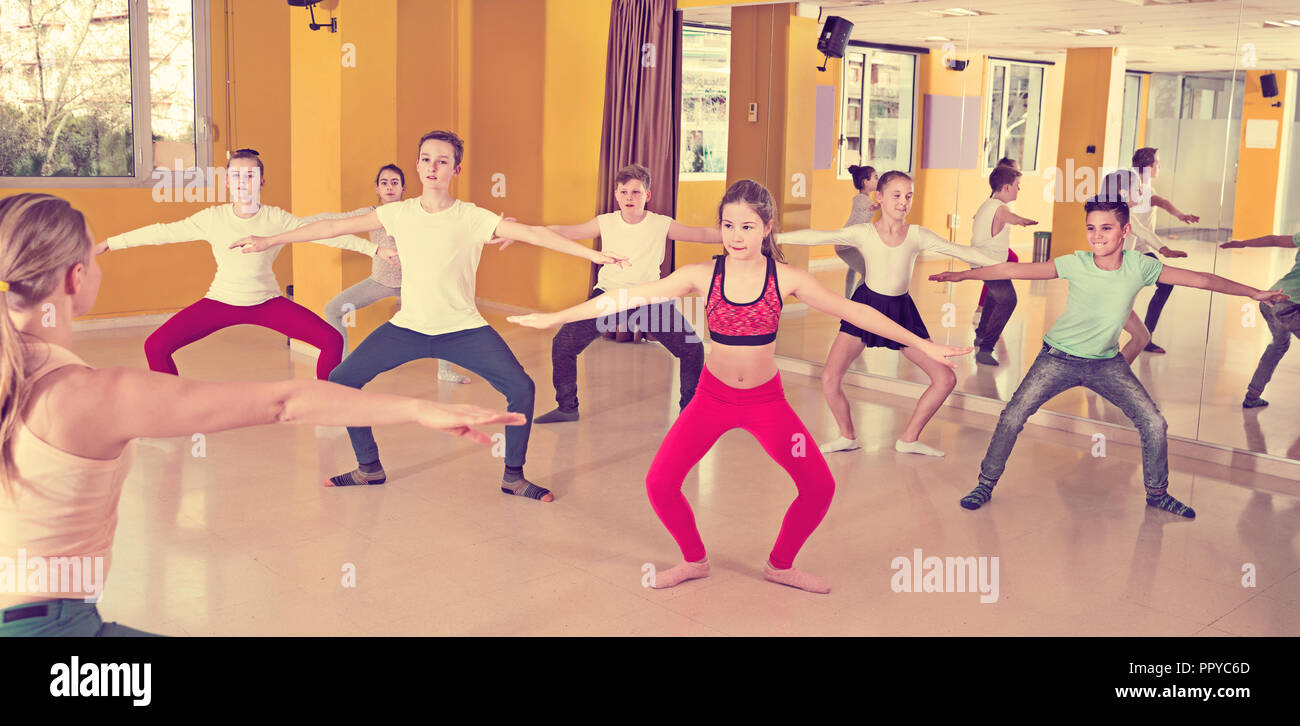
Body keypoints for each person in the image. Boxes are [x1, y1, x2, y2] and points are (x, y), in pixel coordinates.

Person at [0, 193, 523, 636]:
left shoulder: (55, 382)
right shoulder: (92, 396)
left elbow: (330, 234)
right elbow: (284, 403)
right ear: (75, 279)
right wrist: (416, 409)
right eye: (94, 256)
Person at [508, 179, 971, 593]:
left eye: (747, 226)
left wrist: (922, 343)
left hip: (766, 403)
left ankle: (780, 565)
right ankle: (695, 560)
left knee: (818, 487)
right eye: (728, 225)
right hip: (712, 398)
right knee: (660, 483)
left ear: (767, 227)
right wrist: (556, 317)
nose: (736, 236)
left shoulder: (786, 278)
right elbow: (625, 296)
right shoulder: (701, 275)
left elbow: (857, 312)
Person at [231, 130, 627, 503]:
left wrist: (595, 255)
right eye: (426, 159)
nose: (433, 166)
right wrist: (269, 240)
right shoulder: (399, 213)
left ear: (456, 170)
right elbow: (332, 226)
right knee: (342, 381)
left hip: (464, 329)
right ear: (418, 167)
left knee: (521, 388)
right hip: (408, 328)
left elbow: (537, 235)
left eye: (442, 161)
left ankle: (513, 476)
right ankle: (368, 467)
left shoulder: (473, 216)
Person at [929, 198, 1288, 519]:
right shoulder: (1075, 263)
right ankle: (985, 485)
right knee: (1013, 416)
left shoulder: (1140, 267)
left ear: (1124, 231)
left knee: (1153, 423)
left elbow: (1202, 280)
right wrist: (962, 274)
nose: (1096, 235)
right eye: (1090, 228)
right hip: (1056, 359)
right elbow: (1010, 270)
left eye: (1106, 228)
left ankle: (1158, 493)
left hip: (1106, 363)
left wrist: (1253, 292)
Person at [95, 149, 396, 380]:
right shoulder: (212, 218)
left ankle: (325, 403)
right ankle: (173, 405)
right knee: (155, 346)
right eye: (237, 176)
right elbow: (162, 232)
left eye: (250, 176)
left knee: (330, 339)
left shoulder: (276, 218)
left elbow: (325, 234)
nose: (243, 182)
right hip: (220, 302)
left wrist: (373, 249)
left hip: (267, 302)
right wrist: (110, 242)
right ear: (226, 182)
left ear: (261, 181)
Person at [777, 171, 1002, 457]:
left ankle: (908, 439)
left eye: (908, 196)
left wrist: (1003, 264)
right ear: (879, 198)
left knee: (945, 379)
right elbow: (819, 236)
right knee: (830, 378)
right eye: (896, 195)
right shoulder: (864, 233)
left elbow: (960, 250)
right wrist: (776, 236)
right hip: (865, 306)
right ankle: (847, 436)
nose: (903, 202)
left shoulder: (917, 235)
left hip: (901, 311)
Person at [532, 163, 717, 423]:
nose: (630, 197)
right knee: (563, 345)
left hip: (649, 298)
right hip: (609, 296)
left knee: (692, 349)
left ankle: (691, 411)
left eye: (636, 192)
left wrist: (741, 234)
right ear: (616, 195)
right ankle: (566, 407)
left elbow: (703, 234)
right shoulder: (605, 222)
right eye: (624, 192)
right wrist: (525, 232)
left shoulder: (661, 224)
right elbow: (565, 231)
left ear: (647, 195)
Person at [320, 163, 469, 383]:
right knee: (332, 309)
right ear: (377, 189)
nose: (389, 187)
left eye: (394, 183)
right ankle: (345, 364)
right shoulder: (370, 214)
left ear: (403, 188)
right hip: (379, 281)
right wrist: (297, 224)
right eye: (384, 183)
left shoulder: (414, 211)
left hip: (413, 283)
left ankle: (445, 370)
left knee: (442, 317)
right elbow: (337, 221)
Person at [1131, 148, 1200, 354]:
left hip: (1141, 248)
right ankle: (1141, 337)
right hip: (1132, 251)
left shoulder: (1139, 183)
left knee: (1165, 284)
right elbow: (1161, 202)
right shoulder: (1140, 187)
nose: (1159, 166)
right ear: (1149, 166)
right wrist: (1180, 215)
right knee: (1127, 295)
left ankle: (1145, 336)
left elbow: (1159, 201)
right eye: (1157, 163)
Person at [1220, 232, 1300, 408]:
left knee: (1279, 345)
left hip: (1271, 299)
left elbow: (1274, 239)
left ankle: (1252, 396)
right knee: (1279, 345)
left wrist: (1244, 243)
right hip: (1292, 306)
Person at [970, 164, 1037, 365]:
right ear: (1007, 187)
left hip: (985, 262)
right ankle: (986, 348)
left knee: (995, 294)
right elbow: (1007, 217)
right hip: (989, 264)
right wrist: (1021, 220)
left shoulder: (987, 204)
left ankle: (981, 334)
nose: (1019, 189)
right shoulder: (1000, 208)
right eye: (1017, 185)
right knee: (1008, 300)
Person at [838, 164, 879, 297]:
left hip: (849, 242)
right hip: (845, 245)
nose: (878, 180)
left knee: (853, 269)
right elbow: (875, 206)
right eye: (876, 177)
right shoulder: (861, 200)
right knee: (867, 273)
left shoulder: (865, 199)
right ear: (865, 182)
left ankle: (848, 299)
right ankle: (855, 301)